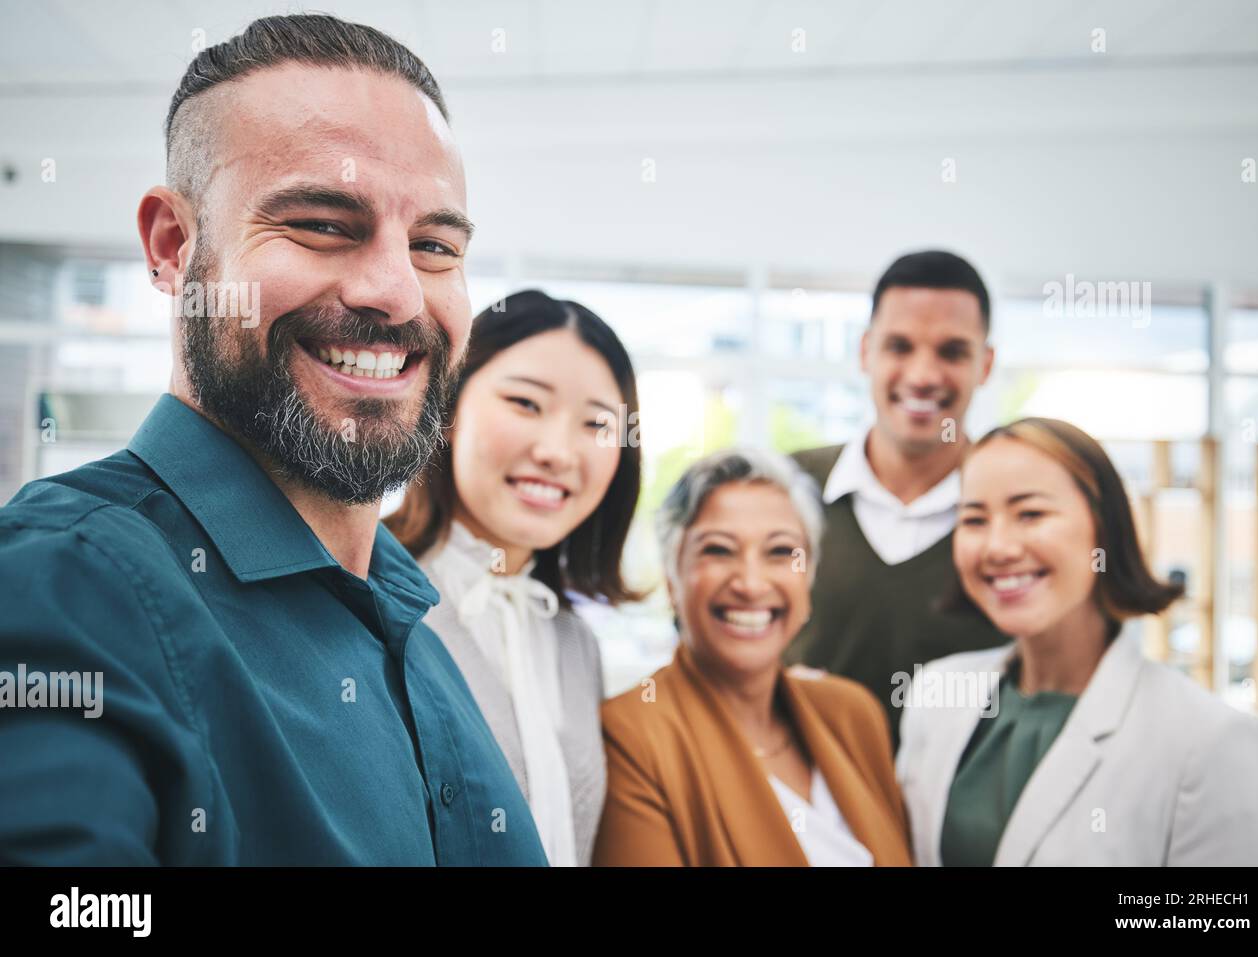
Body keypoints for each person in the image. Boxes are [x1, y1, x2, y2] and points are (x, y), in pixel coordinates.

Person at [0, 14, 547, 865]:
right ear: (175, 247)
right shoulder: (62, 589)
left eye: (435, 244)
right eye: (325, 224)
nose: (397, 293)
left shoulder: (410, 622)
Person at [896, 417, 1258, 866]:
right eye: (974, 519)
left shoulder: (1211, 740)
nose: (998, 547)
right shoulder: (935, 693)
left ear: (1104, 529)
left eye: (1031, 514)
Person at [385, 290, 642, 866]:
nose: (556, 451)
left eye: (597, 423)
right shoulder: (375, 600)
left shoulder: (575, 641)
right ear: (447, 410)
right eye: (526, 403)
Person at [595, 449, 912, 866]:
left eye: (780, 552)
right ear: (672, 578)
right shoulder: (631, 735)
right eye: (719, 550)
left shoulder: (853, 714)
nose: (750, 583)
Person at [785, 250, 1009, 750]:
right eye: (900, 346)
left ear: (985, 364)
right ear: (866, 352)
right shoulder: (787, 488)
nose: (923, 375)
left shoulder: (1011, 511)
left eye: (952, 352)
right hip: (796, 816)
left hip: (966, 820)